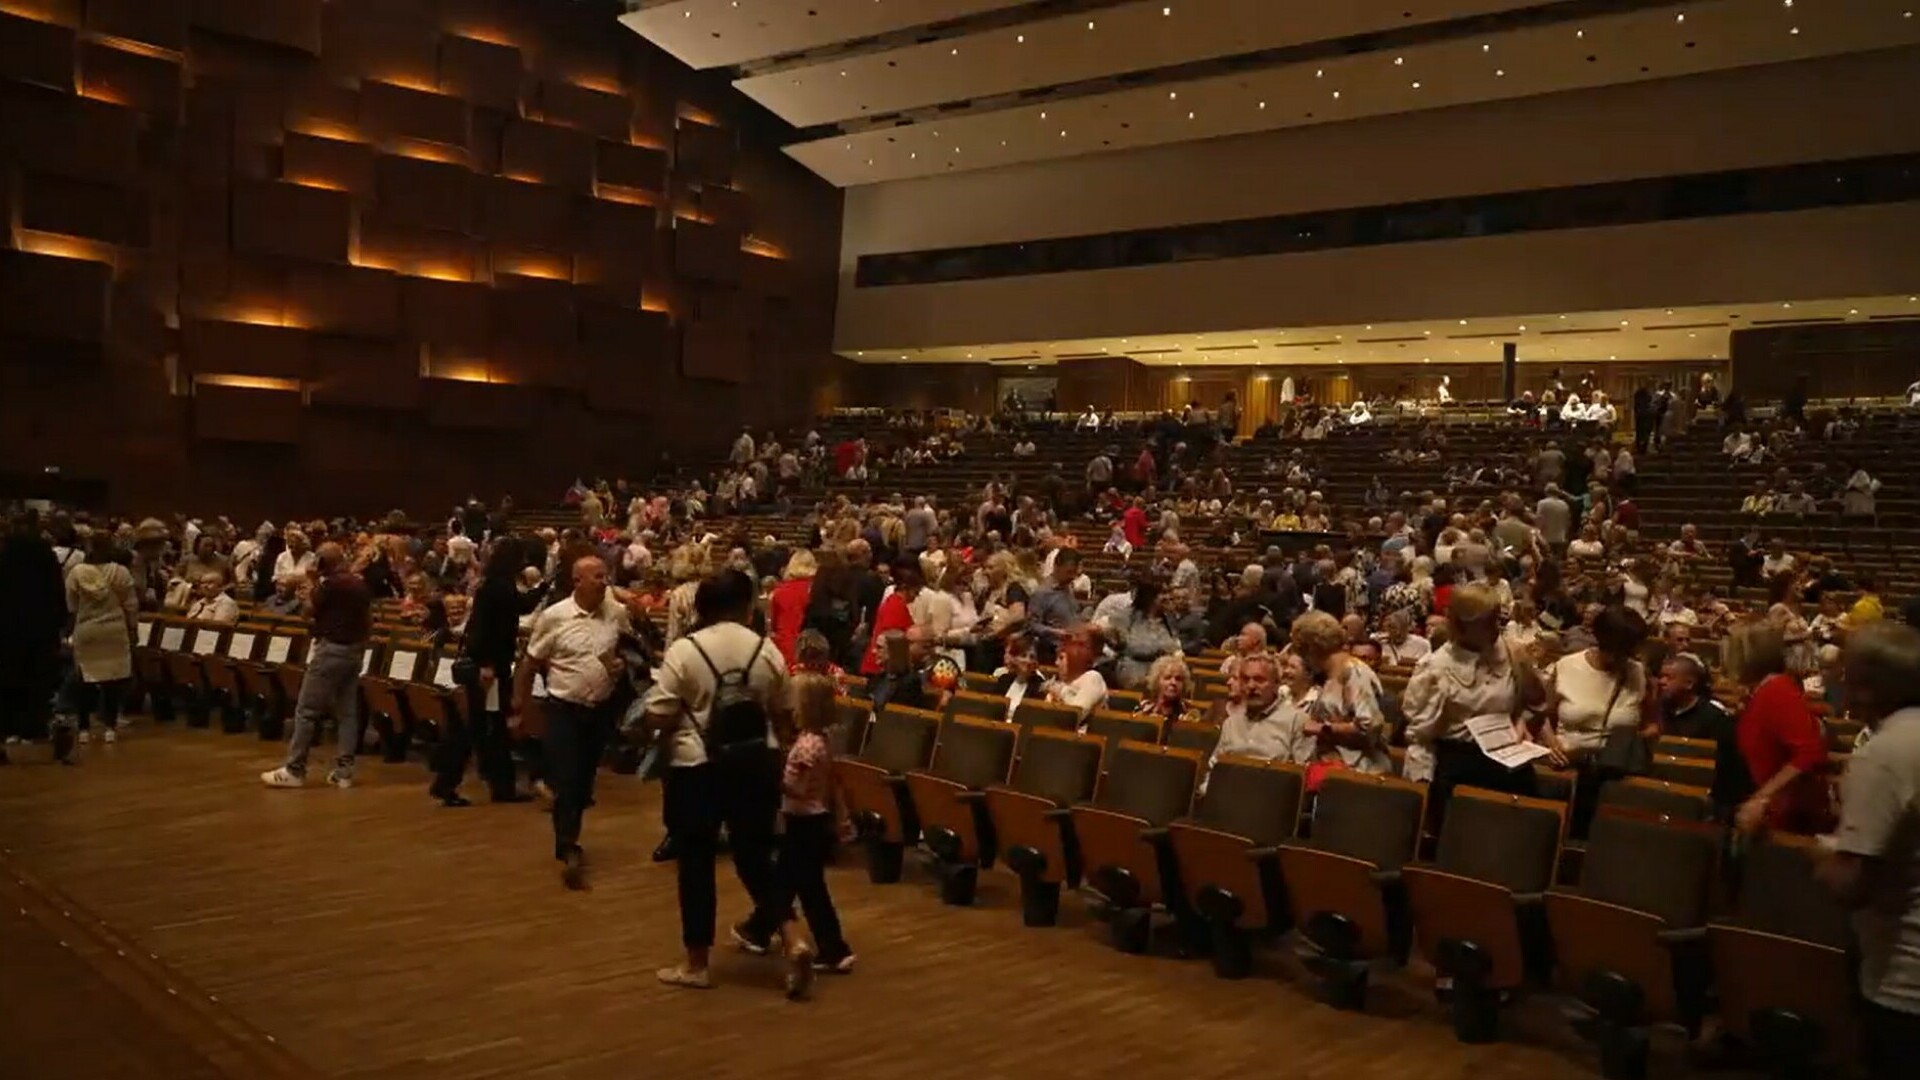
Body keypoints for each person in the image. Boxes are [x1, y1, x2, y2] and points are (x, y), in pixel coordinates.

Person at [645, 569, 801, 993]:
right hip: (757, 762)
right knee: (755, 856)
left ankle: (696, 963)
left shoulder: (685, 649)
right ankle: (792, 936)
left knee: (695, 863)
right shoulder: (765, 650)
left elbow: (659, 713)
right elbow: (786, 714)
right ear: (747, 606)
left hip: (696, 765)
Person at [1816, 621, 1920, 1080]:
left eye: (1847, 673)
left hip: (1903, 979)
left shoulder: (1883, 754)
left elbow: (1852, 883)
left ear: (1867, 688)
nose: (1839, 682)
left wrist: (1820, 855)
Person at [512, 555, 632, 888]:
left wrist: (621, 665)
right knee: (567, 777)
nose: (603, 581)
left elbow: (628, 652)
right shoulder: (555, 617)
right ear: (577, 580)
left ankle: (569, 828)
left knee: (583, 780)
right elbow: (530, 663)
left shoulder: (616, 615)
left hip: (600, 711)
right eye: (596, 576)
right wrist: (519, 704)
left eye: (605, 576)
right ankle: (567, 844)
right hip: (564, 708)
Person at [1402, 585, 1542, 816]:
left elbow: (1534, 706)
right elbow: (1421, 737)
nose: (1495, 628)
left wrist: (1521, 723)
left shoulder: (1512, 653)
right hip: (1460, 766)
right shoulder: (1435, 667)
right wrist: (1421, 785)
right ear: (1461, 625)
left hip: (1510, 765)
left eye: (1497, 619)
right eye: (1486, 622)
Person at [757, 671, 857, 983]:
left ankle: (833, 948)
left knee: (800, 886)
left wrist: (771, 780)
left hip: (803, 821)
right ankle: (760, 928)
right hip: (812, 820)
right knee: (795, 884)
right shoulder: (820, 741)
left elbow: (796, 787)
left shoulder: (805, 748)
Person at [1541, 605, 1657, 837]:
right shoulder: (1567, 667)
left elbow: (1651, 724)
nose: (1624, 657)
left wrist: (1641, 739)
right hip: (1569, 769)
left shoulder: (1639, 673)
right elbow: (1544, 715)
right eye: (1618, 650)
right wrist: (1551, 743)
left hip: (1618, 774)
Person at [262, 543, 370, 790]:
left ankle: (294, 769)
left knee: (307, 711)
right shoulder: (359, 584)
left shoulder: (329, 585)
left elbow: (307, 612)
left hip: (330, 649)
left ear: (322, 563)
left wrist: (312, 582)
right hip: (354, 651)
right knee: (347, 713)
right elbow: (368, 619)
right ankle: (344, 773)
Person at [431, 540, 531, 807]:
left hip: (488, 666)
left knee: (488, 728)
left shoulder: (494, 584)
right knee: (475, 728)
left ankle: (499, 785)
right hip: (488, 669)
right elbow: (487, 629)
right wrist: (486, 664)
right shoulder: (499, 587)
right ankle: (450, 783)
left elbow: (519, 606)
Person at [1724, 622, 1831, 836]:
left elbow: (1809, 752)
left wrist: (1762, 797)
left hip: (1778, 814)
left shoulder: (1777, 691)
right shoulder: (1761, 690)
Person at [58, 532, 138, 757]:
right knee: (112, 680)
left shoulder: (77, 573)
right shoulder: (120, 572)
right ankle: (110, 728)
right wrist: (133, 629)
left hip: (87, 630)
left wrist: (68, 631)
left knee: (85, 679)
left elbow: (71, 607)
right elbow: (130, 604)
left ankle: (83, 729)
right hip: (114, 630)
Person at [0, 512, 67, 763]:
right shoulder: (46, 558)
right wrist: (59, 624)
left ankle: (7, 733)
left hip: (6, 632)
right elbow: (57, 596)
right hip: (41, 630)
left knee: (7, 682)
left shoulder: (4, 558)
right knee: (38, 681)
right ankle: (35, 727)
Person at [1654, 652, 1748, 820]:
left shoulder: (1715, 720)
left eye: (1669, 678)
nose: (1662, 682)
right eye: (1661, 676)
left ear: (1689, 683)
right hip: (1667, 794)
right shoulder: (1662, 710)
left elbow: (1728, 774)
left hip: (1704, 805)